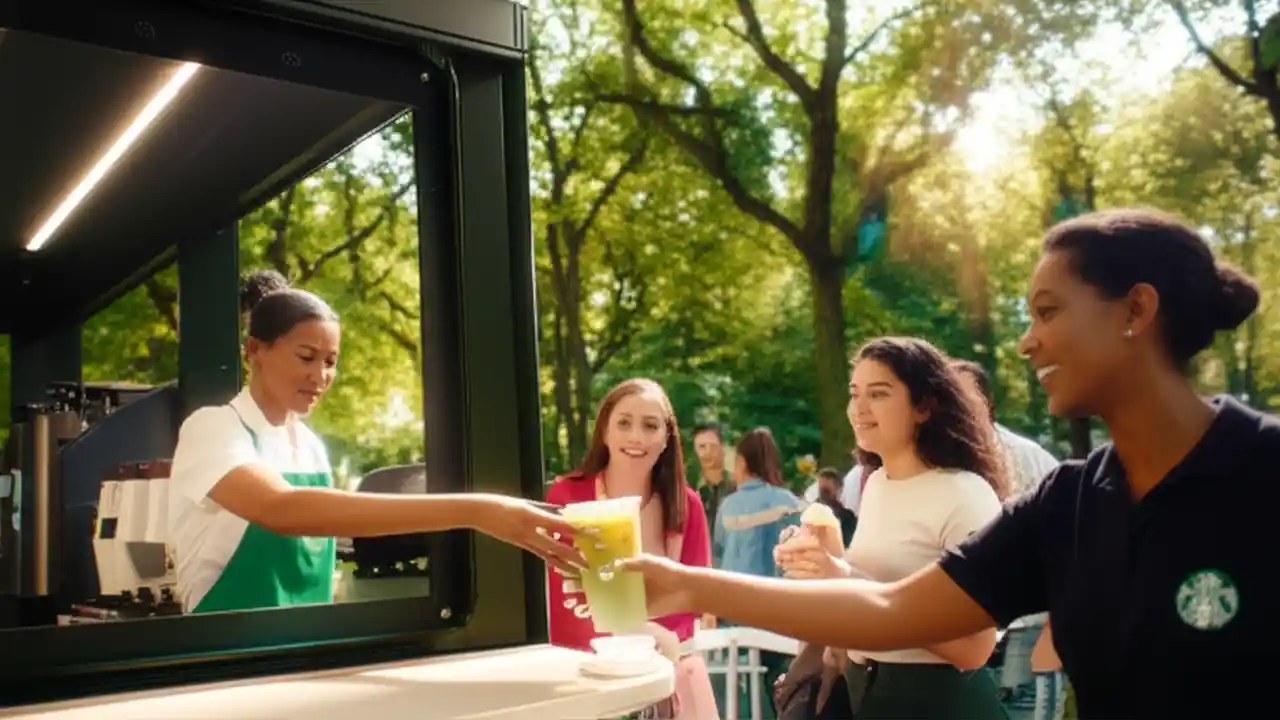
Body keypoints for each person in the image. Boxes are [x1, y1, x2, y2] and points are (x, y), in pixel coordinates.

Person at [621, 208, 1272, 719]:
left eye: (1048, 312)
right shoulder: (1069, 503)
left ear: (1135, 311)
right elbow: (892, 612)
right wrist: (687, 584)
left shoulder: (1263, 471)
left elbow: (958, 646)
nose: (1026, 341)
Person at [167, 273, 583, 614]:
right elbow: (281, 508)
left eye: (330, 362)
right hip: (223, 661)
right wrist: (478, 509)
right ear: (254, 350)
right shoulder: (215, 428)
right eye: (306, 356)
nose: (321, 376)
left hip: (301, 656)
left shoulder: (310, 447)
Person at [775, 337, 1009, 719]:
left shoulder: (966, 493)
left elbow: (974, 647)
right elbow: (867, 593)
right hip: (865, 694)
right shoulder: (877, 484)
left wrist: (847, 576)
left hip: (938, 702)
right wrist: (821, 558)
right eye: (855, 393)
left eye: (878, 394)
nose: (859, 409)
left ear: (924, 406)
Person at [545, 378, 716, 720]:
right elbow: (558, 597)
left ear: (667, 438)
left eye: (650, 426)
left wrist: (658, 645)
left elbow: (697, 598)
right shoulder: (566, 497)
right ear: (604, 432)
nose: (636, 437)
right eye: (624, 423)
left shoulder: (687, 506)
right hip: (582, 678)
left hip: (665, 676)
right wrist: (638, 633)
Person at [951, 358, 1064, 714]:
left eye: (963, 396)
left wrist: (1055, 631)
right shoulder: (933, 464)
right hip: (957, 634)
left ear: (987, 402)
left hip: (1025, 634)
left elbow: (1069, 547)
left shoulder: (1030, 459)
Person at [712, 427, 803, 719]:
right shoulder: (789, 502)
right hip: (778, 616)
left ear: (742, 463)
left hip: (732, 617)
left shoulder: (729, 505)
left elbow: (717, 556)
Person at [691, 421, 734, 562]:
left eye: (713, 446)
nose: (707, 452)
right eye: (702, 447)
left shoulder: (736, 487)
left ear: (722, 448)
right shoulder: (690, 489)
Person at [814, 467, 857, 548]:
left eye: (826, 491)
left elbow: (848, 544)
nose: (823, 495)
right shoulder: (808, 513)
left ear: (839, 490)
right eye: (822, 490)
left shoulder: (847, 517)